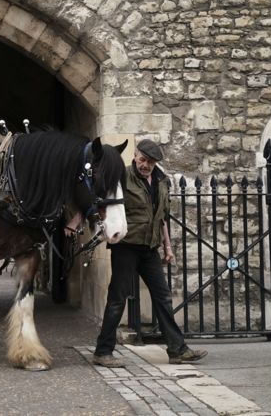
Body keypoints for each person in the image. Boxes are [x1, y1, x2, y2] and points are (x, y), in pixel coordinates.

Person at [93, 139, 207, 368]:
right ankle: (103, 352)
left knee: (163, 296)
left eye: (150, 162)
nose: (145, 165)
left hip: (150, 248)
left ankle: (177, 349)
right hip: (126, 246)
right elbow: (104, 205)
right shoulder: (121, 177)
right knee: (118, 298)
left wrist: (168, 247)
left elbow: (161, 217)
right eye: (142, 159)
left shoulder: (161, 181)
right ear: (135, 156)